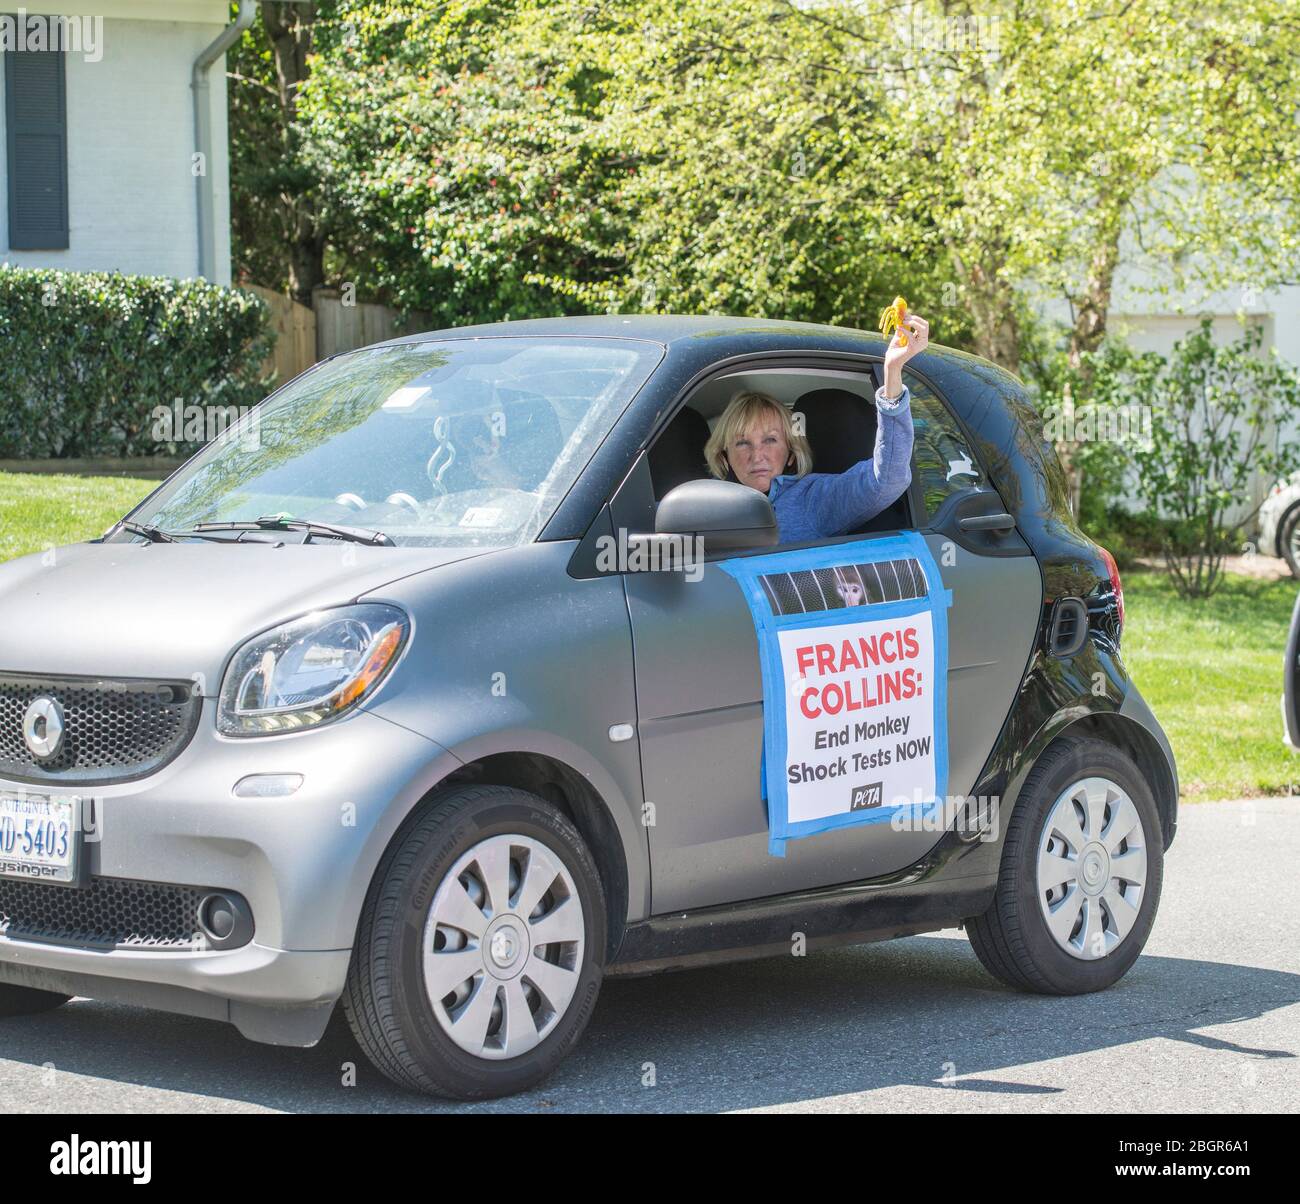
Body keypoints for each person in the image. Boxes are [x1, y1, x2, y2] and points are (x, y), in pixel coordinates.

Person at [703, 312, 928, 542]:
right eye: (742, 443)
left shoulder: (811, 500)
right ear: (724, 456)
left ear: (791, 454)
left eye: (770, 439)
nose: (757, 455)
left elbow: (888, 479)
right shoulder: (702, 507)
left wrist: (891, 372)